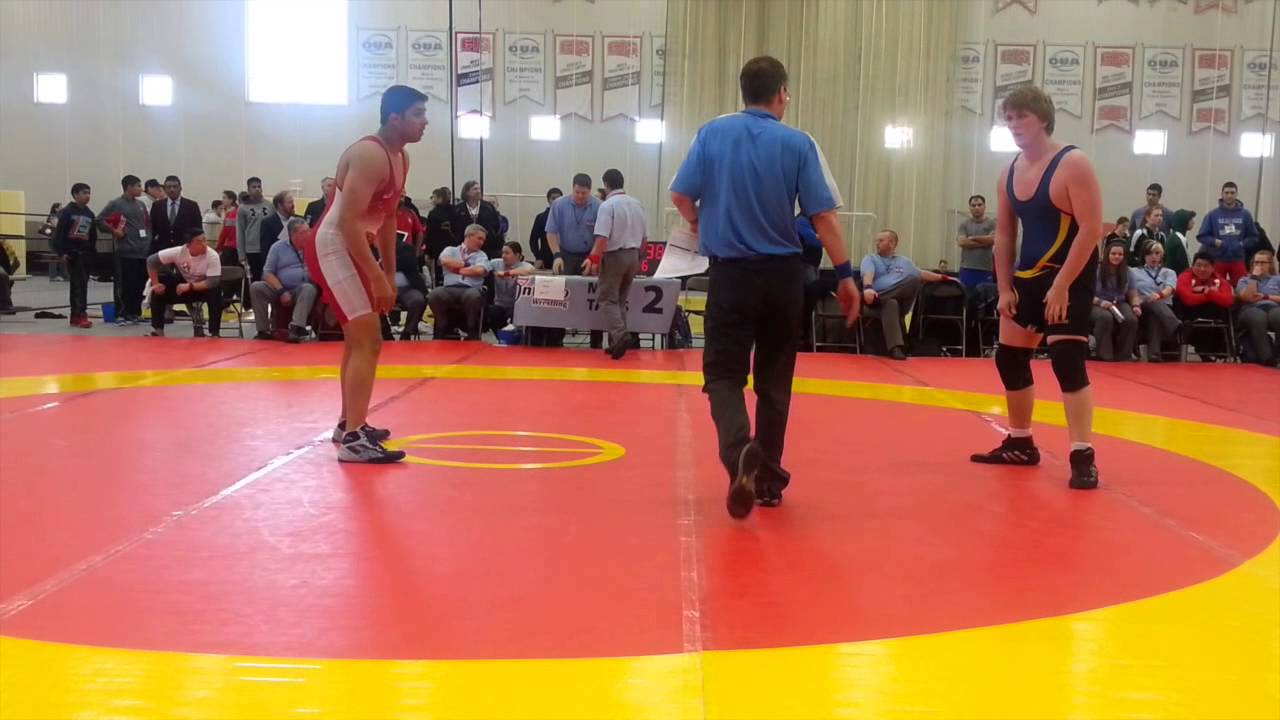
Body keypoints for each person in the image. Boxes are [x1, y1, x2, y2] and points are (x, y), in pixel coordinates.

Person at [670, 55, 859, 518]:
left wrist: (699, 221)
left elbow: (680, 193)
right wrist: (847, 275)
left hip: (731, 275)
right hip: (782, 277)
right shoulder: (799, 143)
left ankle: (739, 454)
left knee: (723, 376)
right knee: (775, 380)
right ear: (782, 94)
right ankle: (769, 480)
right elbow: (824, 217)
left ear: (743, 92)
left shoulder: (712, 133)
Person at [969, 86, 1102, 490]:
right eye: (1008, 119)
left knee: (1066, 361)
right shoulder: (1008, 171)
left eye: (1021, 118)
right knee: (1009, 359)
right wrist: (1004, 287)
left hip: (1070, 275)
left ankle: (1082, 454)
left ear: (1042, 119)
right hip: (1027, 277)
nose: (1013, 126)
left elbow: (1091, 230)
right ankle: (1020, 442)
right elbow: (1005, 236)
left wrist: (1062, 286)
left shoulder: (1073, 163)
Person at [304, 84, 427, 463]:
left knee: (358, 340)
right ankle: (355, 439)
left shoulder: (400, 158)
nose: (426, 123)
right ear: (395, 118)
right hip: (333, 245)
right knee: (369, 340)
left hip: (353, 246)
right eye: (418, 115)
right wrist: (374, 276)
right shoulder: (369, 154)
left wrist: (388, 272)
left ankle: (348, 423)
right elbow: (345, 222)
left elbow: (387, 218)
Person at [860, 229, 956, 360]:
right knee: (891, 303)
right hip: (872, 303)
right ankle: (896, 349)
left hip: (891, 302)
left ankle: (881, 299)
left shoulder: (904, 262)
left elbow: (922, 274)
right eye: (877, 240)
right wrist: (868, 288)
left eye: (881, 240)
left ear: (892, 243)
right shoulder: (870, 259)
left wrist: (943, 278)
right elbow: (867, 274)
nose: (877, 243)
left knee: (914, 279)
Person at [586, 168, 648, 359]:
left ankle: (620, 336)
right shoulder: (637, 204)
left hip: (615, 256)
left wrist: (593, 259)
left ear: (605, 185)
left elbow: (602, 238)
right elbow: (645, 238)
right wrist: (640, 259)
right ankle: (615, 343)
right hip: (633, 256)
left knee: (607, 299)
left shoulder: (607, 206)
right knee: (620, 300)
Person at [544, 173, 603, 348]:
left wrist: (594, 258)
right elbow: (551, 232)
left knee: (594, 297)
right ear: (572, 188)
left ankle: (596, 340)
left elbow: (601, 236)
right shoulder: (559, 205)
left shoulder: (599, 207)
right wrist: (556, 255)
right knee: (559, 296)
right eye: (577, 192)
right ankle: (556, 338)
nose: (580, 196)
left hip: (589, 254)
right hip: (566, 254)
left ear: (590, 191)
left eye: (584, 193)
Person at [249, 218, 317, 343]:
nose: (309, 234)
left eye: (309, 231)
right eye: (304, 232)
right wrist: (281, 291)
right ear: (293, 235)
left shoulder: (314, 246)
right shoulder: (277, 247)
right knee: (256, 287)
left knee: (308, 288)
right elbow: (267, 273)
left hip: (301, 288)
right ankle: (263, 330)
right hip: (279, 287)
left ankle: (296, 328)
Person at [145, 228, 222, 338]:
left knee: (216, 291)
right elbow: (151, 261)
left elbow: (213, 282)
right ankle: (158, 330)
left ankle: (214, 332)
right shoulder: (179, 251)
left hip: (202, 288)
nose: (204, 244)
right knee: (160, 287)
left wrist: (190, 286)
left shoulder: (212, 256)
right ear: (189, 245)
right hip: (183, 287)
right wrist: (156, 283)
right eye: (199, 241)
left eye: (205, 240)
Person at [97, 175, 150, 325]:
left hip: (142, 250)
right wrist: (114, 231)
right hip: (125, 251)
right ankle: (121, 313)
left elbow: (147, 224)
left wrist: (148, 241)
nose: (141, 189)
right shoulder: (116, 204)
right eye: (138, 186)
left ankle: (135, 312)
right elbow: (99, 220)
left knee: (139, 283)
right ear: (128, 187)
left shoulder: (141, 205)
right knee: (125, 283)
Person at [428, 224, 489, 340]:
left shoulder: (481, 255)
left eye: (483, 240)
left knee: (473, 297)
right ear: (469, 236)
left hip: (470, 288)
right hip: (449, 288)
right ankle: (442, 323)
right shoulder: (450, 250)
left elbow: (480, 270)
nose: (482, 242)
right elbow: (444, 261)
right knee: (434, 295)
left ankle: (471, 327)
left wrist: (455, 269)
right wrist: (467, 265)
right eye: (479, 238)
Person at [53, 183, 98, 329]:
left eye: (89, 193)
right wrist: (61, 253)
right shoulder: (67, 212)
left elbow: (92, 235)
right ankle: (79, 314)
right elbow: (59, 234)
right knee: (77, 285)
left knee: (83, 284)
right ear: (75, 194)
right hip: (72, 253)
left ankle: (77, 314)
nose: (87, 196)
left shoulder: (89, 214)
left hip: (85, 253)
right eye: (84, 193)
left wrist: (92, 251)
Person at [1196, 181, 1258, 287]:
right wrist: (1215, 242)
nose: (1229, 195)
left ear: (1237, 194)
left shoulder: (1245, 214)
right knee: (1217, 288)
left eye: (1232, 193)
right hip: (1217, 259)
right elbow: (1201, 236)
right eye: (1227, 192)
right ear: (1222, 194)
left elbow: (1254, 236)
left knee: (1242, 288)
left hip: (1238, 259)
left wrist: (1242, 244)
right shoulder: (1212, 215)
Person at [1129, 241, 1181, 362]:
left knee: (1155, 315)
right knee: (1151, 303)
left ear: (1162, 255)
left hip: (1164, 307)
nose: (1154, 257)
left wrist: (1159, 295)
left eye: (1157, 253)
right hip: (1143, 307)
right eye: (1150, 254)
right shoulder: (1134, 272)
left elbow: (1170, 289)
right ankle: (1176, 326)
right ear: (1144, 256)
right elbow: (1133, 292)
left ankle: (1154, 355)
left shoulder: (1169, 272)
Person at [1090, 240, 1139, 362]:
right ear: (1107, 254)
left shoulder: (1128, 272)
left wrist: (1136, 305)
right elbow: (1087, 294)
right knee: (1105, 317)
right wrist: (1101, 302)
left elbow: (1133, 293)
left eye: (1120, 254)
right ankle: (1105, 354)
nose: (1117, 256)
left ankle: (1124, 355)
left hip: (1119, 302)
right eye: (1114, 254)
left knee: (1131, 319)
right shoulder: (1096, 270)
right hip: (1096, 303)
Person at [1235, 250, 1280, 366]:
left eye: (1262, 263)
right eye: (1256, 262)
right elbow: (1248, 297)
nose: (1259, 265)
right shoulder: (1244, 280)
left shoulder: (1277, 280)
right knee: (1258, 318)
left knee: (1278, 316)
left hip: (1272, 306)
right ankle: (1267, 359)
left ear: (1270, 264)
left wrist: (1266, 296)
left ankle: (1278, 354)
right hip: (1250, 309)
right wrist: (1254, 278)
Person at [487, 240, 535, 331]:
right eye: (502, 253)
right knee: (492, 313)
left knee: (517, 314)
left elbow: (530, 270)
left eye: (507, 253)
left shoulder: (525, 265)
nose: (503, 256)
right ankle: (502, 338)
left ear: (517, 255)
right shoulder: (496, 263)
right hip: (499, 304)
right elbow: (483, 267)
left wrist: (506, 273)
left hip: (516, 305)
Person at [148, 175, 202, 253]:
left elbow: (198, 229)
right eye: (169, 187)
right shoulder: (157, 206)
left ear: (180, 188)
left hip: (185, 249)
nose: (172, 189)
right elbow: (153, 229)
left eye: (175, 186)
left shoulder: (191, 205)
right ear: (164, 189)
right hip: (163, 250)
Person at [392, 228, 429, 340]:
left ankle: (408, 332)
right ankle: (384, 332)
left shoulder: (406, 249)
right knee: (368, 301)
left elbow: (405, 264)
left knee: (418, 300)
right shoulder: (371, 248)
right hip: (380, 288)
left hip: (406, 288)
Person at [955, 194, 996, 292]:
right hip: (967, 270)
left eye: (979, 204)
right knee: (966, 300)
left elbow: (993, 240)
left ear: (984, 206)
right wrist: (984, 243)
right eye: (973, 205)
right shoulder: (964, 225)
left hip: (985, 270)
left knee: (985, 302)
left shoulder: (991, 224)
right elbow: (962, 242)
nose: (976, 207)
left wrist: (973, 238)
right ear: (969, 208)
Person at [452, 180, 503, 257]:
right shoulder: (458, 209)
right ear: (467, 192)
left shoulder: (488, 207)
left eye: (479, 189)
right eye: (475, 189)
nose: (478, 191)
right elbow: (454, 228)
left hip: (487, 247)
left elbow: (496, 226)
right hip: (465, 248)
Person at [237, 177, 272, 281]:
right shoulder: (243, 208)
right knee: (254, 279)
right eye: (254, 187)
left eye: (259, 187)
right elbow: (240, 231)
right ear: (248, 190)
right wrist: (241, 254)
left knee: (268, 277)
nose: (257, 189)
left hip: (268, 248)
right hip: (252, 249)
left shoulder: (270, 205)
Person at [528, 187, 563, 269]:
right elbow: (533, 239)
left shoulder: (567, 216)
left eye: (559, 198)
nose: (556, 201)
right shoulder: (541, 217)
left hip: (564, 256)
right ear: (548, 200)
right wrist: (538, 257)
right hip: (545, 257)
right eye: (553, 198)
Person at [216, 191, 240, 267]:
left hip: (230, 246)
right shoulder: (237, 211)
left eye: (224, 198)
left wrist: (219, 247)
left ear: (231, 200)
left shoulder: (231, 214)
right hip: (239, 246)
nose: (222, 200)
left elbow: (225, 232)